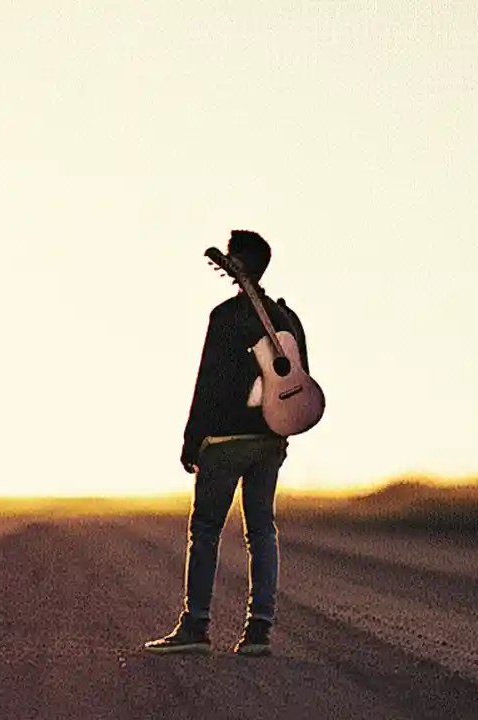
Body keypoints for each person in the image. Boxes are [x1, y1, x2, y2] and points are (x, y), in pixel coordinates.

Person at [145, 229, 309, 657]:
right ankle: (259, 632)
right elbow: (299, 380)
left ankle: (195, 626)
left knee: (205, 531)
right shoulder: (287, 319)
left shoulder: (224, 317)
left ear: (234, 265)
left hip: (225, 440)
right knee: (262, 532)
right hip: (270, 439)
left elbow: (209, 382)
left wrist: (191, 439)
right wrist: (282, 433)